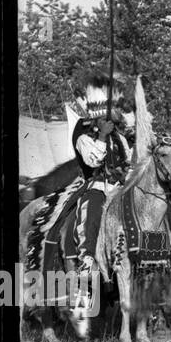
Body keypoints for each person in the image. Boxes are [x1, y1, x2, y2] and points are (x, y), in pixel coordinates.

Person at [71, 75, 131, 272]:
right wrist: (103, 136)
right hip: (96, 186)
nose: (112, 123)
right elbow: (92, 161)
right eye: (107, 121)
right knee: (93, 209)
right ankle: (87, 257)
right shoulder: (84, 138)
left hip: (121, 187)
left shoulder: (120, 139)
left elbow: (129, 162)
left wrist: (126, 172)